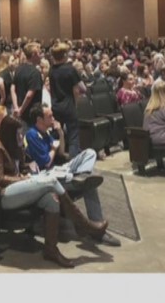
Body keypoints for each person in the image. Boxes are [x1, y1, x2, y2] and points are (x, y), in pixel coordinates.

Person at [0, 116, 92, 268]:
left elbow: (19, 168)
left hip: (16, 189)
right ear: (9, 133)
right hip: (1, 195)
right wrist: (23, 179)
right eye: (18, 134)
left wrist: (28, 168)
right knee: (51, 181)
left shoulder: (15, 145)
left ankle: (51, 250)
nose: (21, 136)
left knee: (51, 199)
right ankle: (82, 223)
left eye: (22, 133)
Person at [24, 104, 119, 246]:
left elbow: (62, 152)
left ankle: (81, 175)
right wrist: (54, 148)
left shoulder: (46, 133)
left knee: (90, 153)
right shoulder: (32, 134)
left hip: (61, 170)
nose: (53, 118)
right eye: (50, 116)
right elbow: (47, 162)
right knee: (90, 185)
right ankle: (98, 231)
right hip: (48, 177)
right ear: (39, 119)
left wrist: (61, 133)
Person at [47, 42, 87, 158]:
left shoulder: (51, 70)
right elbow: (81, 88)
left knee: (56, 134)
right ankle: (73, 162)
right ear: (64, 55)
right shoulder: (70, 69)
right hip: (69, 107)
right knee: (73, 136)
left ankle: (54, 159)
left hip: (55, 106)